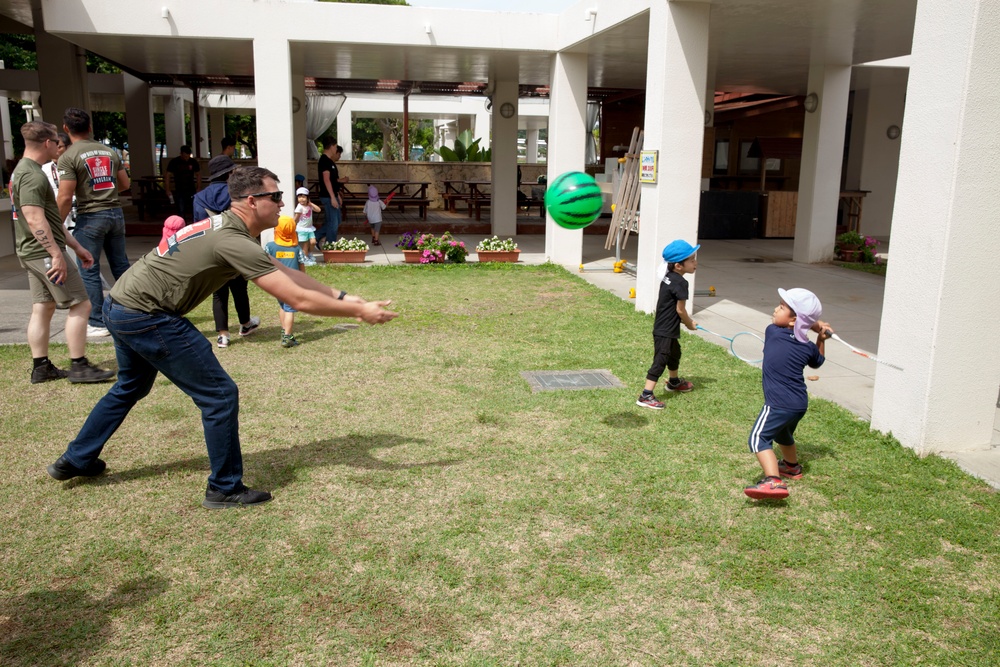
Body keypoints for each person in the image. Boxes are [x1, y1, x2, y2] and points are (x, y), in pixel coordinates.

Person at [46, 166, 398, 508]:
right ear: (250, 200)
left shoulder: (230, 231)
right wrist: (359, 313)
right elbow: (296, 299)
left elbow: (290, 276)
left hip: (123, 304)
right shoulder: (233, 239)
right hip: (147, 314)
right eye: (275, 196)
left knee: (131, 387)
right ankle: (224, 488)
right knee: (218, 394)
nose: (281, 203)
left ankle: (76, 459)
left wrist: (346, 298)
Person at [9, 121, 116, 385]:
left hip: (30, 252)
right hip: (42, 252)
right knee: (82, 303)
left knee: (42, 307)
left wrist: (77, 247)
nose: (60, 146)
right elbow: (34, 218)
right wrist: (57, 254)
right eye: (56, 141)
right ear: (46, 143)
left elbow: (49, 219)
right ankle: (79, 366)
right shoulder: (33, 175)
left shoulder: (20, 171)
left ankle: (41, 367)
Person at [743, 288, 831, 499]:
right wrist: (821, 338)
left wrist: (816, 324)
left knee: (758, 438)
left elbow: (797, 325)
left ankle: (773, 481)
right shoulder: (808, 346)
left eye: (781, 307)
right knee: (783, 433)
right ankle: (791, 466)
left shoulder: (773, 331)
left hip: (779, 403)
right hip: (799, 404)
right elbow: (818, 362)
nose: (775, 309)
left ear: (793, 320)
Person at [57, 107, 131, 338]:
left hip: (90, 216)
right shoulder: (110, 151)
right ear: (90, 128)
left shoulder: (68, 157)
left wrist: (56, 223)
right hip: (115, 213)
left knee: (89, 269)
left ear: (66, 129)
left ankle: (97, 321)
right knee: (121, 265)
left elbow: (65, 196)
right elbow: (125, 184)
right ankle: (133, 310)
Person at [193, 155, 260, 348]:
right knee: (240, 288)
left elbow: (199, 227)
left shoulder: (199, 198)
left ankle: (223, 335)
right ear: (229, 173)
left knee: (218, 293)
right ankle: (245, 325)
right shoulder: (236, 196)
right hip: (236, 247)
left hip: (212, 250)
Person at [636, 239, 699, 409]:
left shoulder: (668, 277)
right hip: (665, 330)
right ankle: (646, 395)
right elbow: (680, 310)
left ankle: (673, 381)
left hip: (664, 328)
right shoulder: (681, 283)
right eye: (691, 260)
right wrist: (690, 324)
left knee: (674, 353)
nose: (695, 263)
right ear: (679, 266)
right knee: (660, 360)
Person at [265, 215, 307, 347]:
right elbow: (301, 266)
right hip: (291, 284)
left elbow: (265, 263)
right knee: (290, 309)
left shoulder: (270, 247)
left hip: (276, 283)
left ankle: (284, 331)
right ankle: (288, 337)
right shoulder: (296, 249)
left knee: (283, 306)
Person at [317, 139, 348, 246]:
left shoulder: (330, 161)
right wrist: (332, 197)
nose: (336, 149)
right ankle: (329, 246)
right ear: (331, 146)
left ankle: (316, 238)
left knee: (336, 221)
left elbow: (333, 181)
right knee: (333, 223)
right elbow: (326, 180)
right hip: (327, 196)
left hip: (332, 195)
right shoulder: (324, 160)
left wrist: (337, 195)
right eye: (335, 146)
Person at [164, 145, 201, 222]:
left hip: (191, 188)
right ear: (181, 154)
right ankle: (182, 225)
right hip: (179, 189)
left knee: (194, 208)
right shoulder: (174, 162)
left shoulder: (193, 162)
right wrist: (167, 189)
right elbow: (168, 175)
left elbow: (198, 175)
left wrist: (198, 187)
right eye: (184, 156)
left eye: (188, 156)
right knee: (181, 209)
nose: (186, 158)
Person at [293, 186, 321, 264]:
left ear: (307, 198)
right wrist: (291, 225)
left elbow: (318, 210)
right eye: (299, 197)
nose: (301, 199)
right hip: (302, 229)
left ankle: (309, 253)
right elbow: (296, 217)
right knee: (305, 245)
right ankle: (305, 259)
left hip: (309, 228)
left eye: (303, 197)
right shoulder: (299, 207)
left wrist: (311, 204)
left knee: (313, 242)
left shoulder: (309, 206)